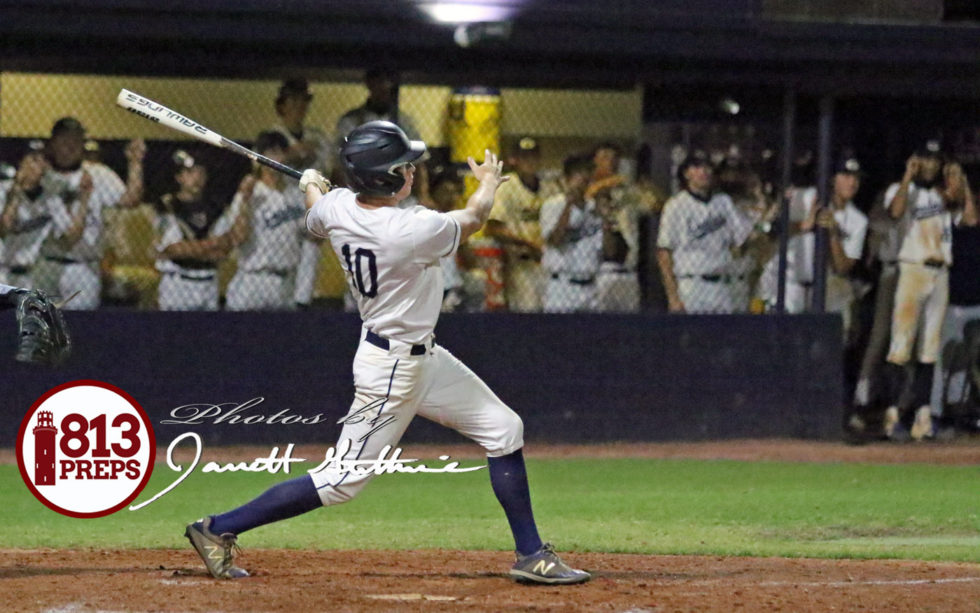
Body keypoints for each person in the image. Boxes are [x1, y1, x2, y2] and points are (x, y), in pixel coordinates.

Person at [184, 120, 590, 585]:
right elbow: (475, 218)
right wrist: (488, 186)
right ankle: (218, 528)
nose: (413, 171)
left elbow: (318, 207)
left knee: (503, 428)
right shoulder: (410, 228)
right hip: (393, 368)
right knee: (340, 482)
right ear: (386, 177)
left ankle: (531, 555)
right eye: (405, 165)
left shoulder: (337, 209)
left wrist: (313, 185)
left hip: (422, 359)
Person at [880, 144, 978, 441]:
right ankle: (892, 416)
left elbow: (971, 219)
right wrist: (908, 175)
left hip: (941, 274)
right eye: (925, 158)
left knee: (929, 349)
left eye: (934, 159)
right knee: (900, 346)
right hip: (913, 269)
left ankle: (923, 417)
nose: (930, 164)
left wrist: (962, 182)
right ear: (915, 160)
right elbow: (896, 211)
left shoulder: (943, 197)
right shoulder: (902, 189)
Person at [36, 117, 146, 309]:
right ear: (53, 143)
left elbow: (130, 200)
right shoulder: (42, 176)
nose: (70, 146)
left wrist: (135, 163)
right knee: (42, 329)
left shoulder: (98, 174)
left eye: (76, 141)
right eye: (64, 141)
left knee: (81, 328)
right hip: (47, 263)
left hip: (85, 267)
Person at [656, 152, 753, 314]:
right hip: (691, 284)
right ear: (687, 173)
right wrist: (673, 297)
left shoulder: (723, 202)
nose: (704, 171)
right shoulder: (676, 205)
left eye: (707, 167)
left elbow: (744, 238)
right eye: (697, 167)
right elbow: (664, 252)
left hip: (722, 285)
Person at [268, 78, 333, 309]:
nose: (299, 106)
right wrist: (291, 156)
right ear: (281, 105)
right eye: (293, 100)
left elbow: (330, 172)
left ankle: (302, 303)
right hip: (280, 205)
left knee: (312, 246)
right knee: (282, 263)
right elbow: (262, 170)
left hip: (308, 204)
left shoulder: (318, 137)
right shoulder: (272, 137)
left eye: (303, 100)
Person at [223, 131, 306, 311]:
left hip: (287, 280)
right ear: (258, 158)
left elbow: (313, 237)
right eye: (269, 153)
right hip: (254, 279)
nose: (276, 159)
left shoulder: (296, 194)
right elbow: (238, 238)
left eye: (279, 152)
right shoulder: (251, 193)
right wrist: (245, 200)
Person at [334, 67, 432, 207]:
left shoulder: (405, 122)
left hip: (399, 195)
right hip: (360, 193)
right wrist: (347, 197)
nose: (384, 86)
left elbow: (419, 163)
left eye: (388, 81)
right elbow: (339, 166)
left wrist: (424, 196)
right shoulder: (351, 121)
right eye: (379, 81)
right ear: (369, 83)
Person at [153, 151, 236, 311]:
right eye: (190, 172)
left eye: (201, 172)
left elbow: (223, 250)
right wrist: (211, 245)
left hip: (209, 281)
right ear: (179, 177)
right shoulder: (168, 206)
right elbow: (174, 249)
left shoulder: (216, 207)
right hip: (177, 283)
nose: (196, 178)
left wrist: (193, 248)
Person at [929, 161, 979, 428]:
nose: (952, 181)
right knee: (942, 362)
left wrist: (964, 185)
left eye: (957, 176)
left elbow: (970, 218)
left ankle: (959, 412)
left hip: (974, 303)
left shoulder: (968, 213)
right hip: (947, 300)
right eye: (947, 176)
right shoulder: (936, 210)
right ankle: (936, 413)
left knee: (964, 362)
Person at [483, 136, 558, 312]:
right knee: (527, 314)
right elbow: (493, 228)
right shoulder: (506, 186)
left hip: (549, 264)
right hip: (520, 265)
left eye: (533, 156)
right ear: (513, 160)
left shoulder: (550, 187)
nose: (529, 162)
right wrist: (528, 245)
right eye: (524, 157)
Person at [0, 149, 79, 289]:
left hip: (30, 276)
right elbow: (5, 228)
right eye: (34, 159)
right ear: (21, 163)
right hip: (2, 272)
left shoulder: (50, 199)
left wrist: (81, 200)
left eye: (44, 160)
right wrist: (17, 188)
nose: (39, 165)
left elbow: (69, 237)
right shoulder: (3, 190)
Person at [539, 154, 603, 313]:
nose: (584, 179)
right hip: (562, 287)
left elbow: (607, 249)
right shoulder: (553, 205)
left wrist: (606, 220)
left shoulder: (594, 208)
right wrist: (569, 206)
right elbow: (555, 240)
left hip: (590, 286)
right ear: (568, 178)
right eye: (579, 174)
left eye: (587, 173)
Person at [587, 142, 642, 313]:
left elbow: (656, 203)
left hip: (627, 269)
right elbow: (585, 196)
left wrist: (638, 184)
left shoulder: (627, 191)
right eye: (605, 158)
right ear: (595, 161)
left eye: (614, 158)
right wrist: (606, 184)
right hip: (596, 271)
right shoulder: (586, 188)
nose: (610, 162)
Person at [428, 167, 485, 312]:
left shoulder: (455, 221)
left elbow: (471, 261)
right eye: (446, 192)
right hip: (425, 288)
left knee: (478, 281)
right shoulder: (423, 218)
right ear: (434, 192)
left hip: (451, 287)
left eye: (455, 193)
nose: (451, 198)